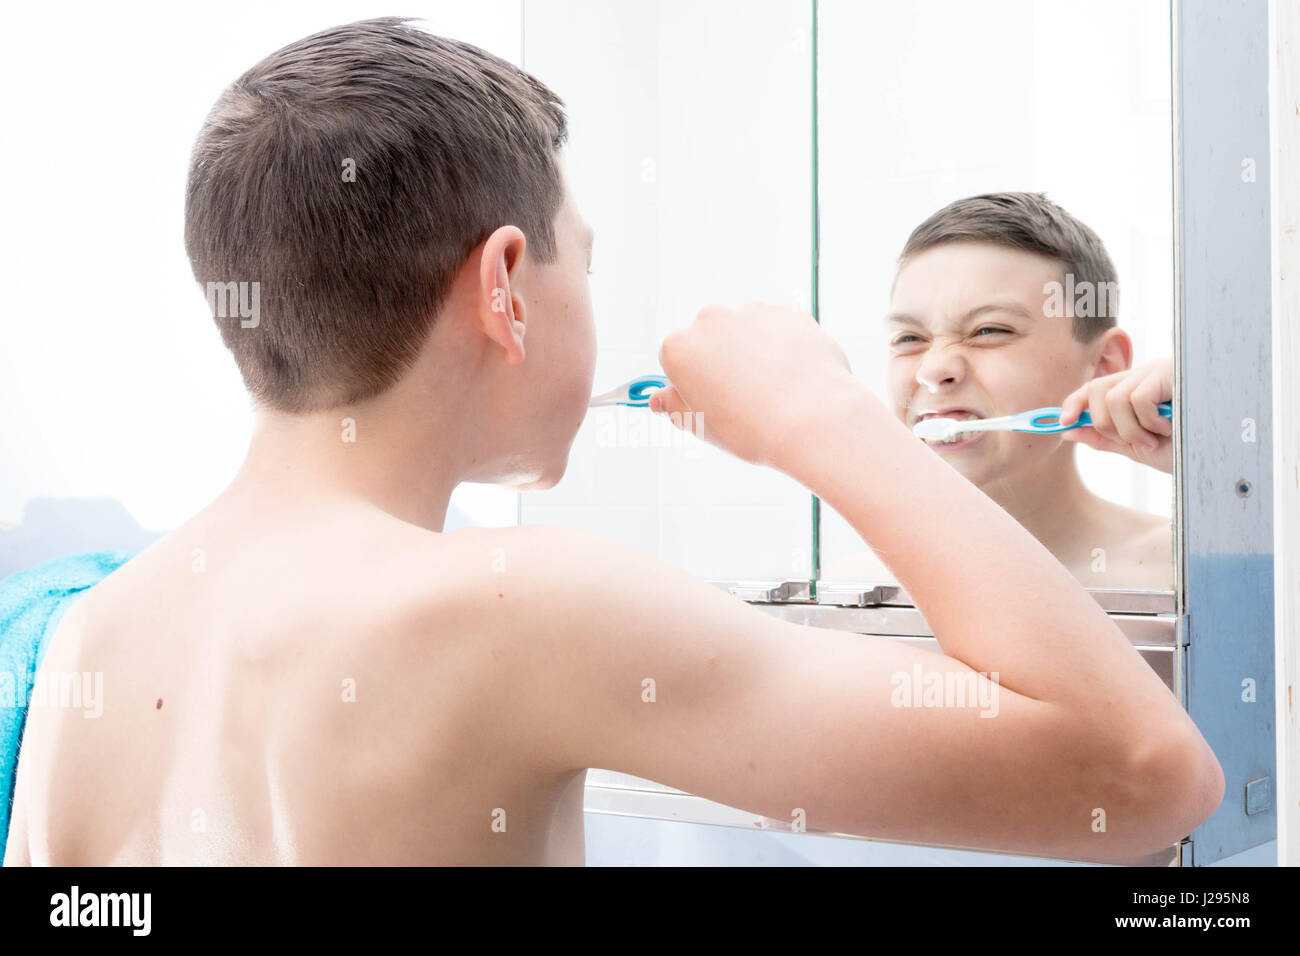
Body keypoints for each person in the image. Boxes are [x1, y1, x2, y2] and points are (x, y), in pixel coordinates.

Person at [2, 18, 1221, 866]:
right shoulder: (510, 600)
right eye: (587, 257)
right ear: (506, 287)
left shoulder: (88, 640)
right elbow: (1142, 776)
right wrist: (823, 419)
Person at [825, 193, 1174, 590]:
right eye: (908, 337)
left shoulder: (1187, 572)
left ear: (1103, 366)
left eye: (988, 330)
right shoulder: (852, 590)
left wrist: (1214, 458)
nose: (933, 370)